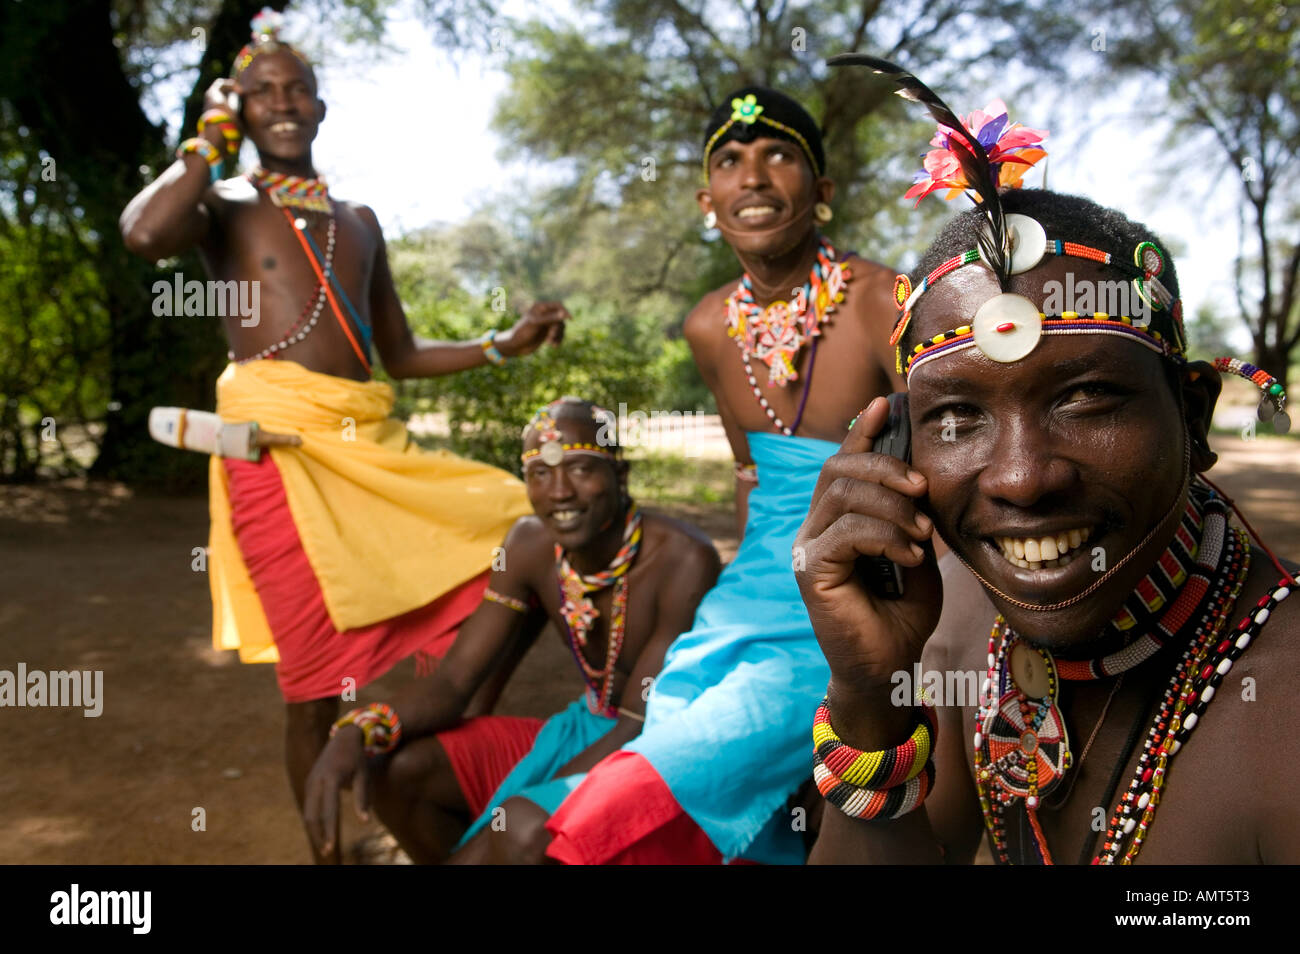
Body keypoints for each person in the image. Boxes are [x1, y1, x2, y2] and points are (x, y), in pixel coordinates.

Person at [793, 63, 1298, 864]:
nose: (1023, 478)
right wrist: (866, 697)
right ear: (897, 449)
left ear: (1193, 415)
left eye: (1088, 397)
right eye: (957, 417)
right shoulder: (955, 627)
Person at [118, 11, 568, 862]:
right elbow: (143, 234)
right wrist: (203, 143)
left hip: (369, 443)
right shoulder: (221, 203)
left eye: (298, 89)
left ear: (321, 108)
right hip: (274, 456)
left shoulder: (359, 218)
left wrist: (499, 345)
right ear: (240, 110)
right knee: (313, 687)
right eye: (261, 92)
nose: (282, 103)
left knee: (519, 534)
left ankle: (419, 778)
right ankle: (329, 856)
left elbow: (394, 352)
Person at [479, 87, 904, 865]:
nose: (754, 177)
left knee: (628, 799)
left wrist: (921, 636)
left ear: (825, 191)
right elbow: (751, 476)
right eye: (730, 162)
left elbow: (940, 467)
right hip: (742, 608)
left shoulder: (884, 302)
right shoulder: (710, 326)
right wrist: (745, 594)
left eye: (780, 155)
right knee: (668, 749)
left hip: (852, 600)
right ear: (708, 201)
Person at [301, 398, 720, 863]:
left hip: (650, 752)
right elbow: (454, 681)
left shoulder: (684, 559)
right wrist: (360, 729)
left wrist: (520, 812)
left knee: (522, 828)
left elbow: (636, 726)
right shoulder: (528, 544)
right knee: (397, 769)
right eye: (539, 474)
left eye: (580, 469)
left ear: (620, 475)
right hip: (581, 732)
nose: (559, 492)